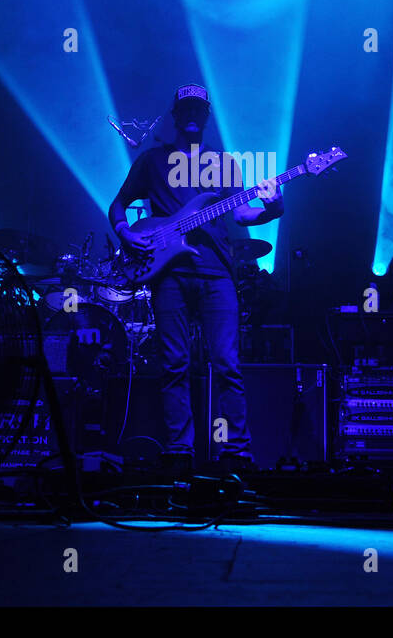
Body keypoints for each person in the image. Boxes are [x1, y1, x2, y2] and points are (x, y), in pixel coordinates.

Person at [107, 84, 283, 475]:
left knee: (227, 362)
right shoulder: (152, 160)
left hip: (217, 273)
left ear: (206, 115)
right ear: (174, 115)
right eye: (185, 108)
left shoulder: (224, 163)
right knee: (174, 363)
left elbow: (241, 216)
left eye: (198, 109)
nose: (191, 115)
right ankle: (179, 451)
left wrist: (273, 208)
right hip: (167, 273)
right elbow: (118, 203)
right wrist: (125, 230)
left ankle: (236, 451)